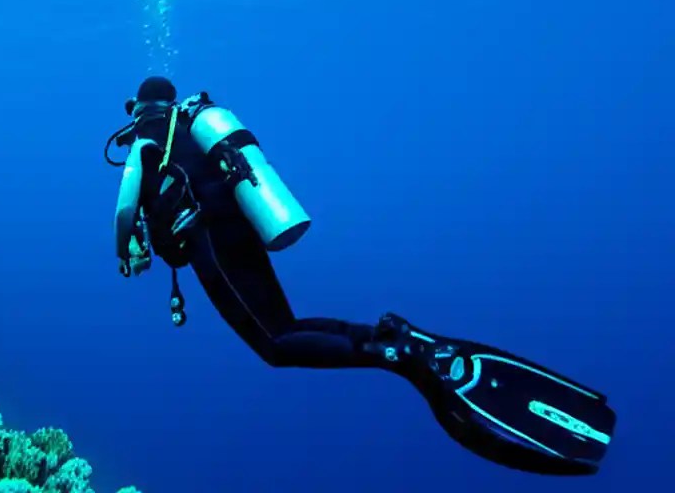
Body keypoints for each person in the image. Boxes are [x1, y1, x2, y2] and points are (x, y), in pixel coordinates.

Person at [105, 75, 616, 476]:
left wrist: (124, 250)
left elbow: (126, 209)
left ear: (139, 108)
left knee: (277, 346)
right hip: (238, 232)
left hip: (210, 243)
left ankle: (391, 352)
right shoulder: (194, 125)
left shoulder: (149, 140)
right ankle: (390, 335)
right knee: (287, 325)